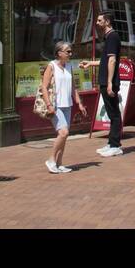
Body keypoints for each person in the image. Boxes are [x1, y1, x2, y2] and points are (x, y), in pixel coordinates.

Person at [42, 41, 85, 174]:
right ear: (59, 53)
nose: (70, 54)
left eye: (71, 51)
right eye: (68, 51)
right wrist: (49, 105)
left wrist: (79, 103)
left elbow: (73, 87)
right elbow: (44, 87)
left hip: (68, 105)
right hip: (56, 105)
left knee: (64, 135)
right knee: (63, 132)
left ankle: (59, 164)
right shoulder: (51, 66)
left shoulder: (69, 66)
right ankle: (51, 160)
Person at [95, 13, 124, 157]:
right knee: (111, 113)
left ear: (107, 21)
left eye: (100, 20)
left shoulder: (112, 37)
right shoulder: (108, 37)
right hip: (105, 80)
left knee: (114, 114)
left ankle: (115, 146)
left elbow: (112, 61)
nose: (97, 22)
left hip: (109, 81)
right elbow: (106, 61)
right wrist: (90, 64)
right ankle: (111, 143)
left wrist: (109, 83)